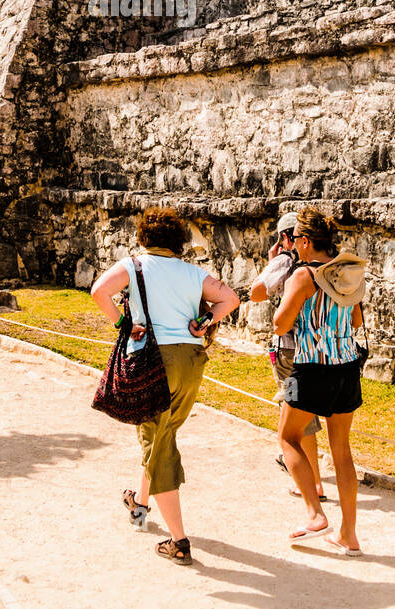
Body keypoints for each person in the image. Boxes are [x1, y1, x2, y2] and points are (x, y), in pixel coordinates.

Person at [91, 205, 239, 565]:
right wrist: (204, 321)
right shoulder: (193, 273)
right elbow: (230, 299)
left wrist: (123, 324)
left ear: (144, 237)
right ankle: (140, 503)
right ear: (178, 241)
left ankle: (179, 540)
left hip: (152, 360)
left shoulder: (134, 266)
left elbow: (99, 291)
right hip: (190, 360)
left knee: (156, 438)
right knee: (164, 433)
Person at [273, 207, 367, 556]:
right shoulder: (349, 273)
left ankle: (314, 513)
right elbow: (356, 320)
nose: (294, 246)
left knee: (287, 437)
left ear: (307, 241)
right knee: (342, 452)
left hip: (310, 368)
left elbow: (280, 325)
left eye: (296, 240)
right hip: (346, 369)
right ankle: (349, 535)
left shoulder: (303, 277)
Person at [250, 211, 326, 501]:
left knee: (297, 416)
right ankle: (304, 469)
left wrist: (273, 264)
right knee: (303, 411)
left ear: (286, 238)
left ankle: (314, 483)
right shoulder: (323, 262)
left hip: (289, 348)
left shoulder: (286, 261)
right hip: (319, 346)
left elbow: (256, 293)